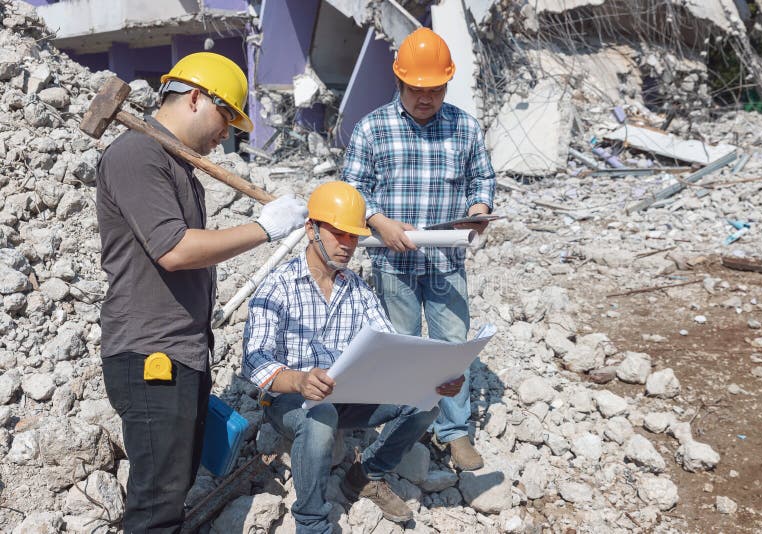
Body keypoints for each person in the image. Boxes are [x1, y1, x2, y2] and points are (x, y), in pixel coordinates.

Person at [96, 52, 308, 532]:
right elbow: (174, 250)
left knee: (174, 492)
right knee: (157, 506)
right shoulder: (137, 154)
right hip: (151, 355)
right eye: (226, 117)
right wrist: (263, 229)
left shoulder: (177, 167)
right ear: (195, 98)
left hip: (181, 353)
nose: (226, 134)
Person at [242, 181, 465, 533]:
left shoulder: (358, 290)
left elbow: (391, 349)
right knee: (320, 417)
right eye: (338, 233)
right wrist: (299, 380)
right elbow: (254, 358)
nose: (347, 244)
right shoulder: (278, 285)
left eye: (354, 236)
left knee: (425, 402)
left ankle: (366, 475)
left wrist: (433, 380)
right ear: (311, 229)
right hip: (289, 399)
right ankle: (312, 523)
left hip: (346, 396)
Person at [342, 28, 496, 471]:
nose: (426, 98)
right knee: (403, 347)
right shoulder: (372, 128)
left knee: (451, 345)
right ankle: (405, 426)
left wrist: (479, 208)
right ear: (399, 81)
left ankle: (454, 431)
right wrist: (379, 221)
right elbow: (353, 187)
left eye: (435, 90)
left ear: (447, 83)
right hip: (394, 262)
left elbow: (481, 178)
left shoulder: (464, 127)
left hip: (447, 260)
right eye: (416, 90)